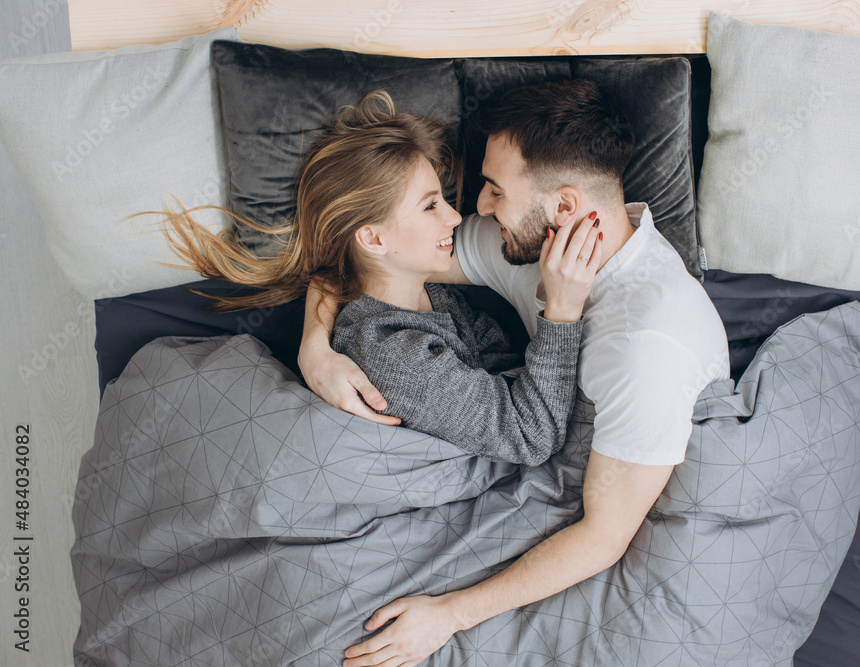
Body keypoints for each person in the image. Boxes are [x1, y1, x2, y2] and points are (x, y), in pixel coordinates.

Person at [296, 78, 732, 666]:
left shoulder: (646, 342)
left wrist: (448, 614)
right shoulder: (525, 243)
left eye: (494, 190)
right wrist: (314, 346)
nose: (473, 209)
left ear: (566, 207)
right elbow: (362, 262)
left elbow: (604, 536)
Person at [150, 89, 603, 465]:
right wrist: (561, 313)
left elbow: (508, 371)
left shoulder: (433, 295)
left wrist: (314, 344)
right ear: (372, 238)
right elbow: (530, 437)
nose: (455, 217)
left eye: (444, 200)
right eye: (430, 206)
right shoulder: (392, 353)